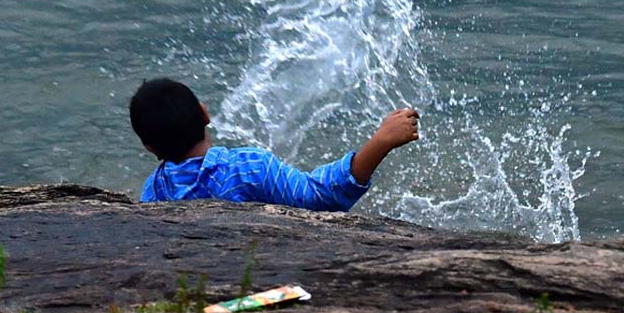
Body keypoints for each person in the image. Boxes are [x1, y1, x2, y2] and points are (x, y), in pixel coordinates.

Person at [129, 78, 419, 212]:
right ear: (205, 113)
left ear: (150, 148)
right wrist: (380, 141)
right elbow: (320, 198)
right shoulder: (247, 169)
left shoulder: (152, 193)